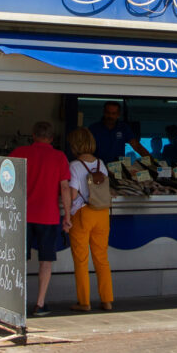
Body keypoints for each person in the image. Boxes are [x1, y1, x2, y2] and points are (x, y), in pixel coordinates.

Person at [8, 121, 68, 316]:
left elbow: (3, 178)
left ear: (33, 135)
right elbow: (65, 188)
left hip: (22, 215)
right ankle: (40, 303)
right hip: (48, 216)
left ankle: (16, 301)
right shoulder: (59, 156)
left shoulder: (19, 152)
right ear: (52, 138)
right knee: (46, 261)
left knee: (19, 260)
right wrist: (67, 215)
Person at [64, 126, 114, 311]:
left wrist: (67, 212)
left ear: (75, 145)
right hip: (102, 213)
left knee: (81, 259)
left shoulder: (75, 166)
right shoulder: (101, 164)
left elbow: (74, 193)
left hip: (83, 214)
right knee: (101, 258)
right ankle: (107, 300)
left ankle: (84, 301)